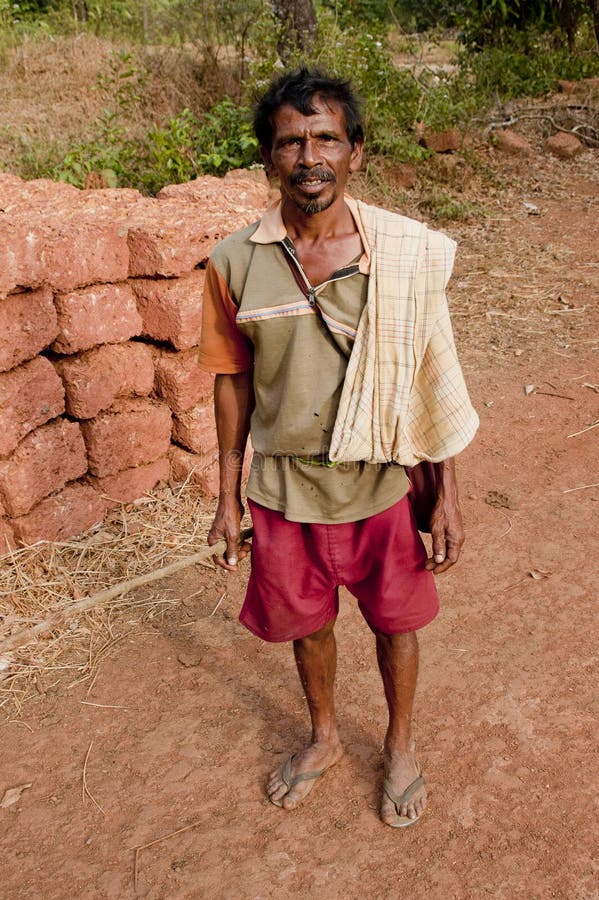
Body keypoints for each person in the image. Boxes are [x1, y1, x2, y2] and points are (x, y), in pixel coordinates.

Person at [198, 68, 478, 828]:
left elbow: (427, 375)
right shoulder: (233, 262)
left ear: (356, 150)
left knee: (395, 623)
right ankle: (323, 735)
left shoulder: (402, 254)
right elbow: (230, 382)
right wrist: (226, 499)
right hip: (286, 490)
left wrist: (445, 492)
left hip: (382, 483)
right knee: (308, 624)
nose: (308, 156)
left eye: (325, 137)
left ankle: (400, 744)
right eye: (290, 141)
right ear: (268, 158)